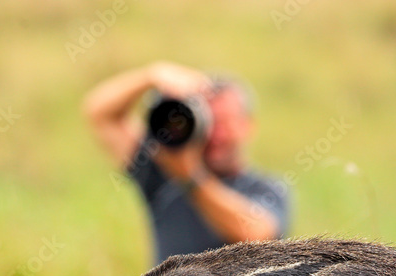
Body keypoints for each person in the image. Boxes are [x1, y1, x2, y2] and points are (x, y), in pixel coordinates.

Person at [83, 61, 289, 264]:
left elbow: (257, 236)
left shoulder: (268, 188)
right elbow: (101, 114)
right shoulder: (163, 172)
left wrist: (190, 177)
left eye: (224, 123)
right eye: (209, 122)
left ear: (248, 125)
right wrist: (152, 75)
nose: (214, 135)